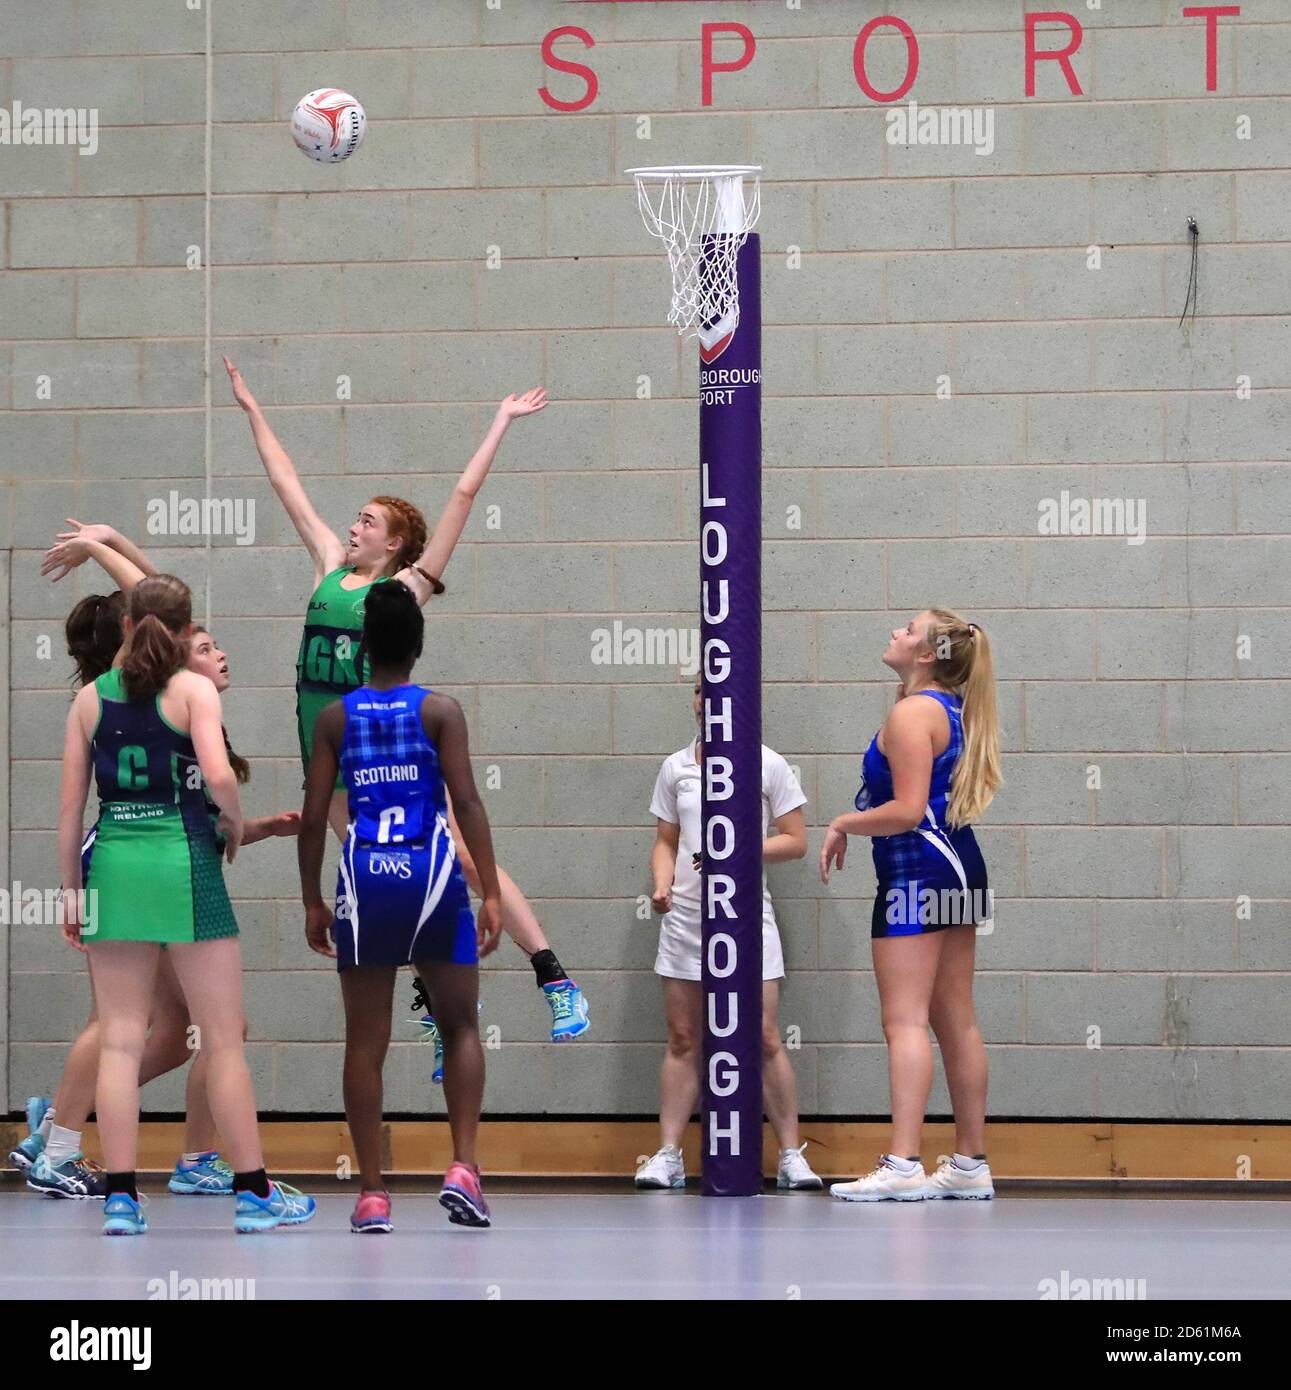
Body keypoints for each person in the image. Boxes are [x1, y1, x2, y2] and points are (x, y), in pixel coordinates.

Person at [223, 358, 589, 1046]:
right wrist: (252, 411)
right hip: (328, 756)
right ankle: (441, 1004)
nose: (352, 525)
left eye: (367, 520)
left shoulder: (405, 589)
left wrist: (499, 424)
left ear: (394, 543)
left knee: (463, 859)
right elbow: (286, 484)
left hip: (387, 750)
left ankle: (551, 973)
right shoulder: (329, 565)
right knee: (381, 879)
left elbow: (460, 497)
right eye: (355, 518)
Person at [12, 529, 296, 1199]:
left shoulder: (189, 706)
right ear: (164, 644)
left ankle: (141, 1150)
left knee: (174, 1031)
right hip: (131, 854)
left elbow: (157, 598)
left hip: (154, 855)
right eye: (201, 643)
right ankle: (58, 1139)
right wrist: (108, 542)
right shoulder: (165, 694)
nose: (215, 650)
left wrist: (254, 829)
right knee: (127, 1025)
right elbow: (153, 593)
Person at [299, 581, 502, 1231]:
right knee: (460, 1024)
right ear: (417, 645)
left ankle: (371, 1193)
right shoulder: (440, 711)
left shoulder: (336, 718)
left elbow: (310, 818)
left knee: (366, 1042)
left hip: (364, 878)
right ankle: (464, 1167)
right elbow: (466, 803)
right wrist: (491, 889)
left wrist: (310, 899)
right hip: (430, 873)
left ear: (362, 651)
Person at [821, 609, 1001, 1202]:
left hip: (915, 876)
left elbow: (905, 810)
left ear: (927, 654)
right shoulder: (949, 706)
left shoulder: (911, 713)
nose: (894, 632)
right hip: (960, 866)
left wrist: (843, 820)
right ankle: (971, 1163)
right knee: (956, 1019)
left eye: (907, 629)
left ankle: (902, 1164)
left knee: (904, 1020)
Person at [637, 679, 822, 1192]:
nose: (705, 698)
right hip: (686, 921)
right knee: (683, 1038)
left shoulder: (767, 763)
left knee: (763, 1036)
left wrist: (736, 851)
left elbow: (797, 841)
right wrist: (661, 884)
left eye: (713, 689)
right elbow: (665, 842)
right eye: (698, 690)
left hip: (746, 920)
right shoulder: (677, 767)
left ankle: (790, 1156)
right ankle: (669, 1155)